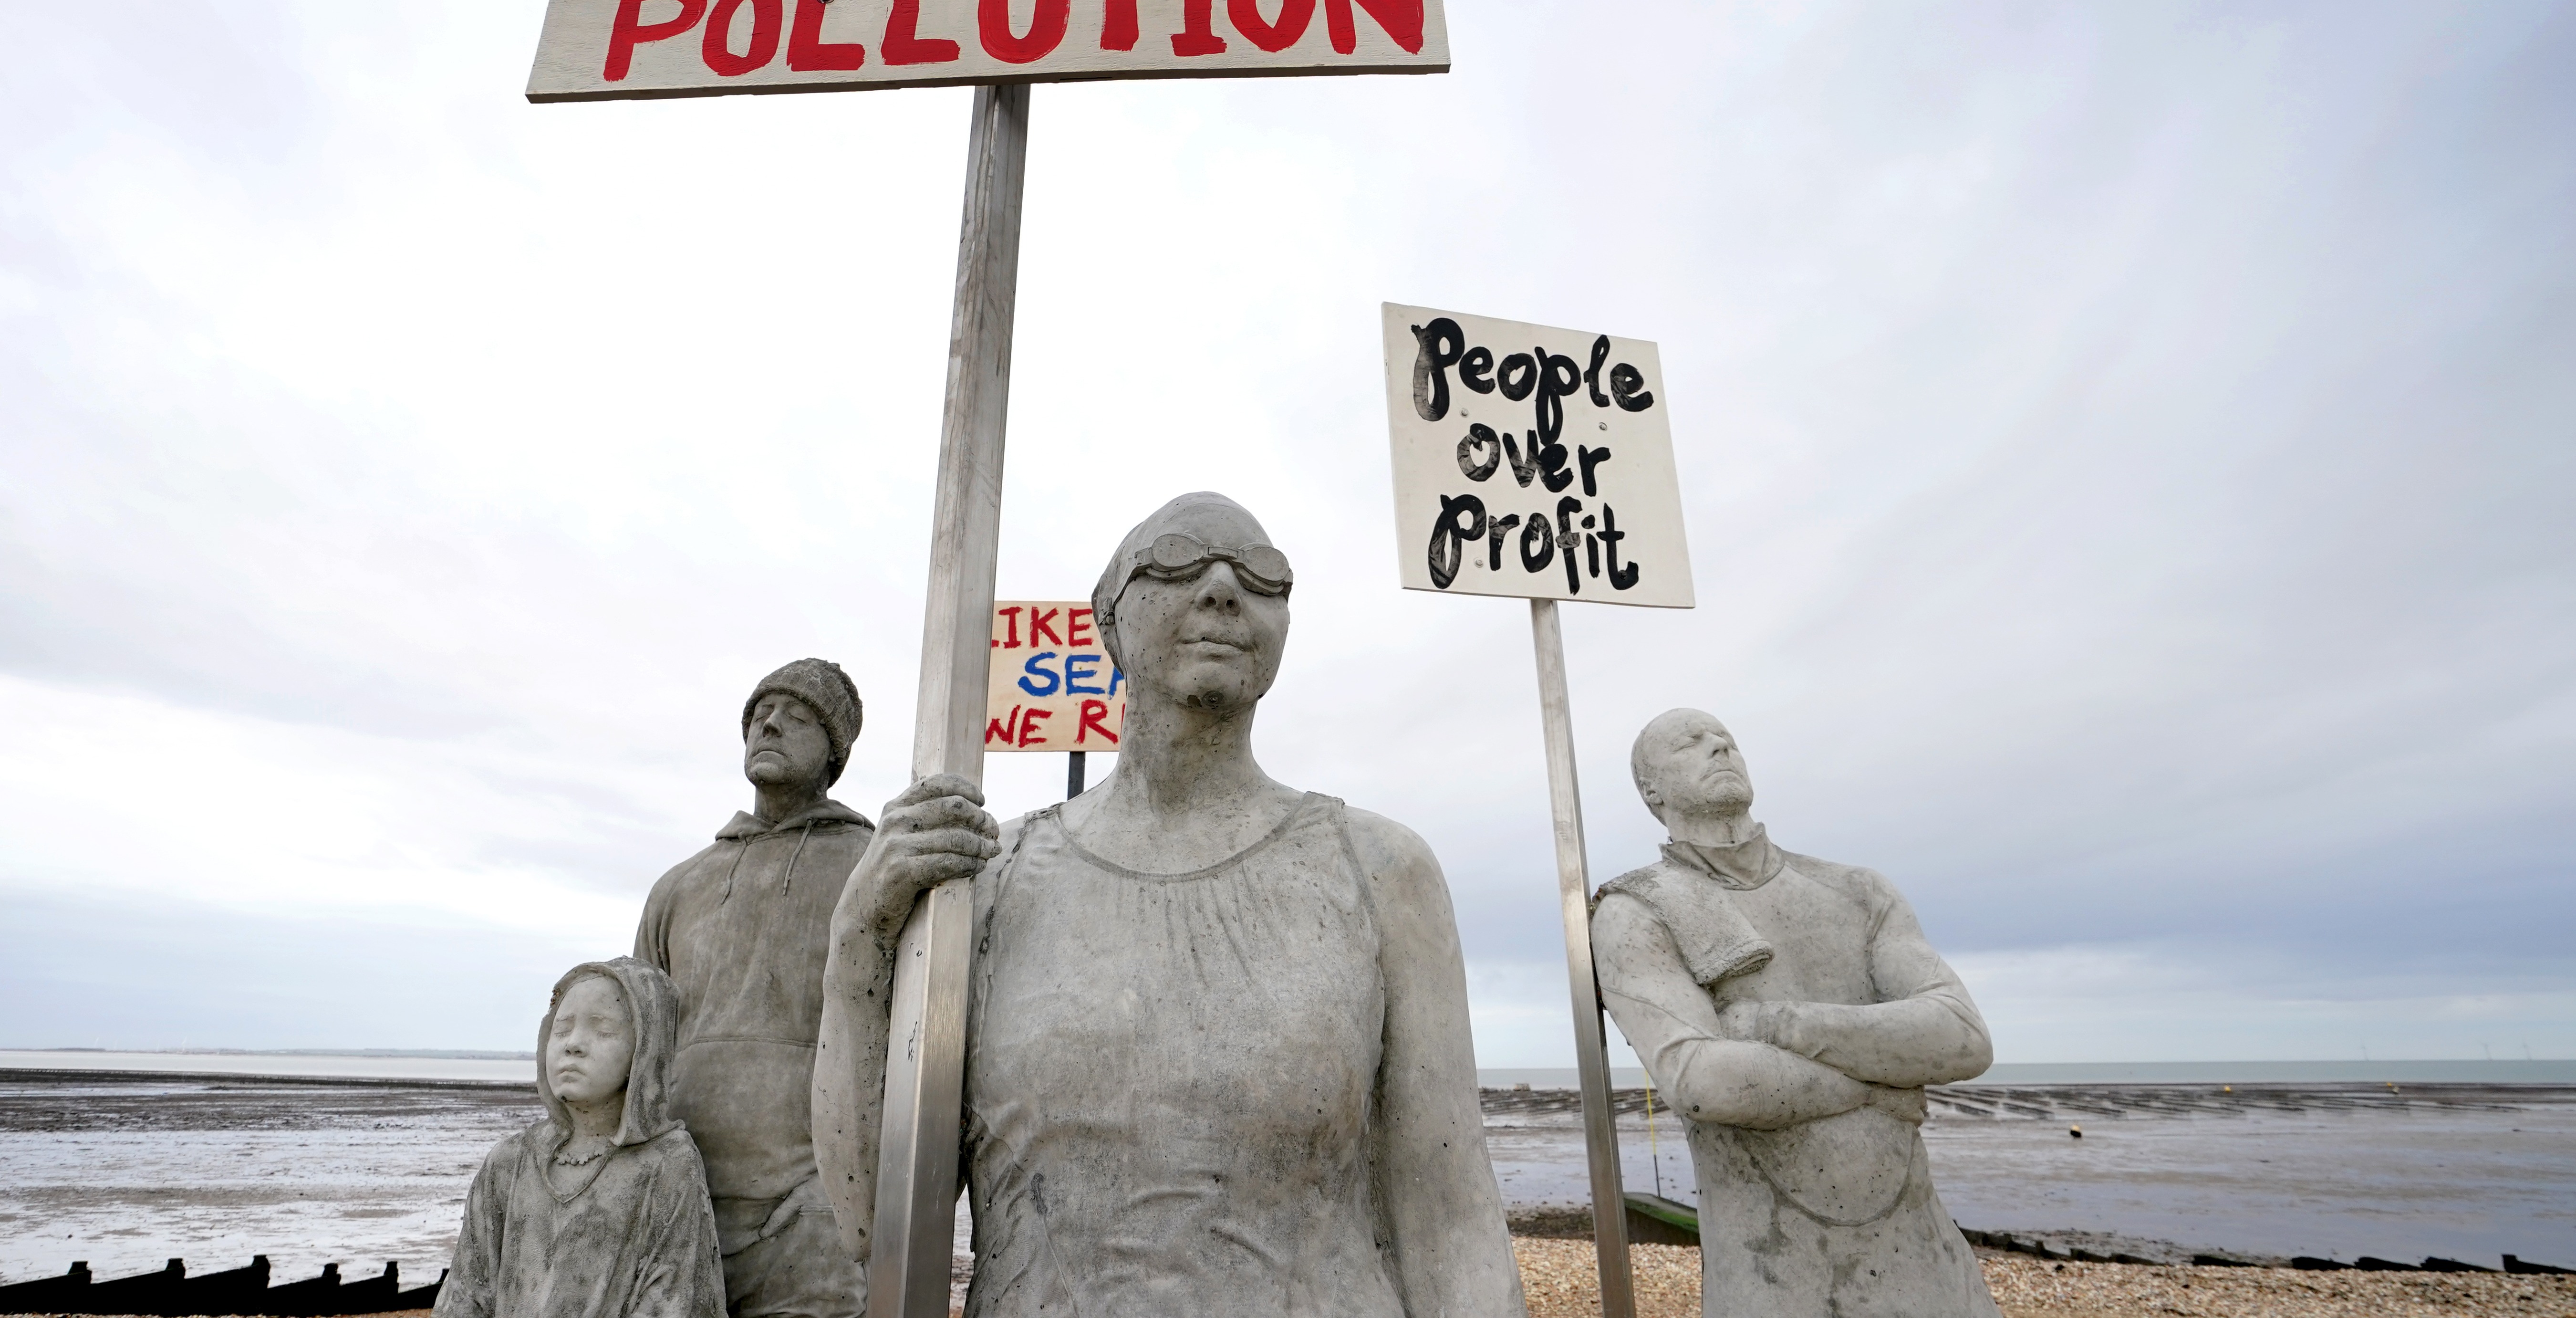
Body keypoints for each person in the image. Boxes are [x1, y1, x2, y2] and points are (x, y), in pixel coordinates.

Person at [815, 492, 1526, 1318]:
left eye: (1263, 578)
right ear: (1111, 620)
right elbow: (876, 1217)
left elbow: (1449, 1212)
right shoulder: (994, 874)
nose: (1224, 589)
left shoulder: (1380, 867)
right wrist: (858, 944)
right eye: (1179, 563)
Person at [1589, 709, 2000, 1318]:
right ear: (1651, 789)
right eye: (1691, 743)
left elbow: (1963, 1038)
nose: (1719, 747)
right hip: (1774, 1278)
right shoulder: (1637, 911)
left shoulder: (1858, 891)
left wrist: (1779, 1024)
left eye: (1726, 738)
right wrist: (1882, 1087)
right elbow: (1703, 1081)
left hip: (1937, 1272)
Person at [635, 660, 873, 1318]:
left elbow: (910, 1042)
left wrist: (854, 1191)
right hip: (683, 1202)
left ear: (834, 751)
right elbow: (638, 1050)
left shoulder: (871, 867)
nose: (770, 723)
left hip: (812, 1210)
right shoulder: (681, 884)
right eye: (760, 714)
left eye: (797, 716)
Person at [439, 957, 724, 1318]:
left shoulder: (667, 1163)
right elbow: (466, 1294)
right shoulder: (509, 1161)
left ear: (645, 1049)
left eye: (603, 1030)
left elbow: (673, 1299)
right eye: (561, 1029)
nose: (573, 1044)